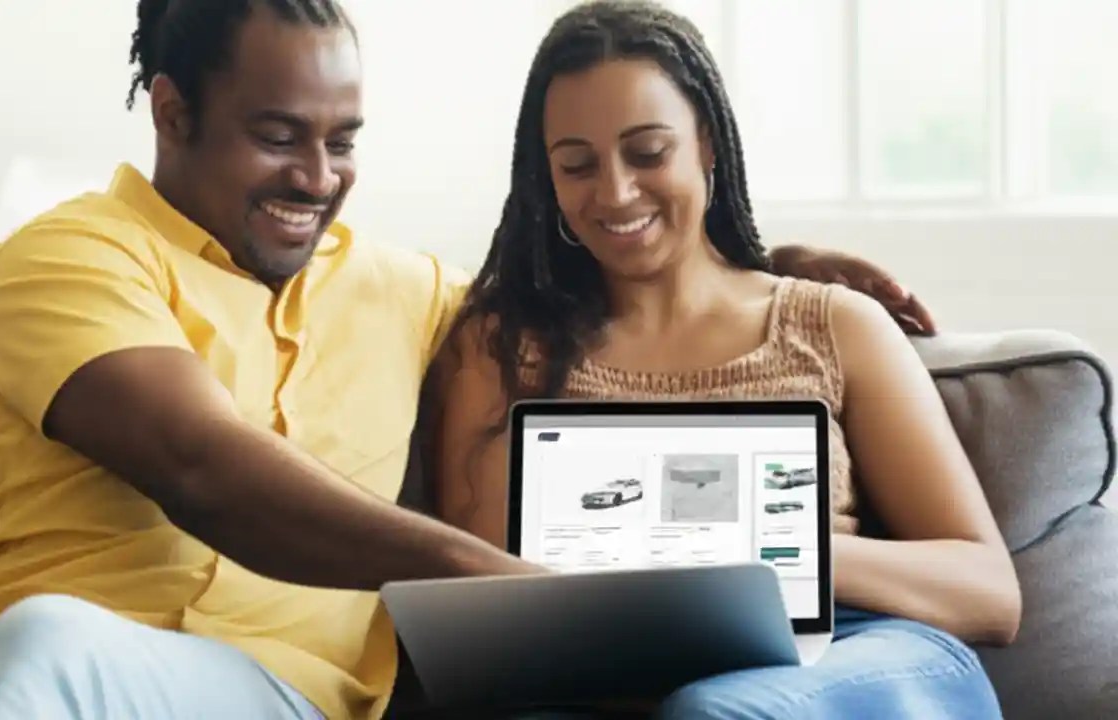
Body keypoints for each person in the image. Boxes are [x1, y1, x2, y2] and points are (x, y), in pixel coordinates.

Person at [0, 2, 936, 720]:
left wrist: (760, 260)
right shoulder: (68, 257)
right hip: (30, 676)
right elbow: (203, 467)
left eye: (344, 139)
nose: (318, 175)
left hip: (279, 701)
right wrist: (516, 587)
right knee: (43, 647)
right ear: (173, 111)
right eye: (280, 135)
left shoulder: (406, 290)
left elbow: (597, 266)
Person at [432, 1, 1020, 718]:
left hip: (855, 653)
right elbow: (489, 601)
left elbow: (990, 593)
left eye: (648, 153)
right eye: (578, 165)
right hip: (613, 669)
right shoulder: (502, 347)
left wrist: (763, 561)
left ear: (707, 142)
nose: (615, 192)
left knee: (711, 713)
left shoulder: (835, 326)